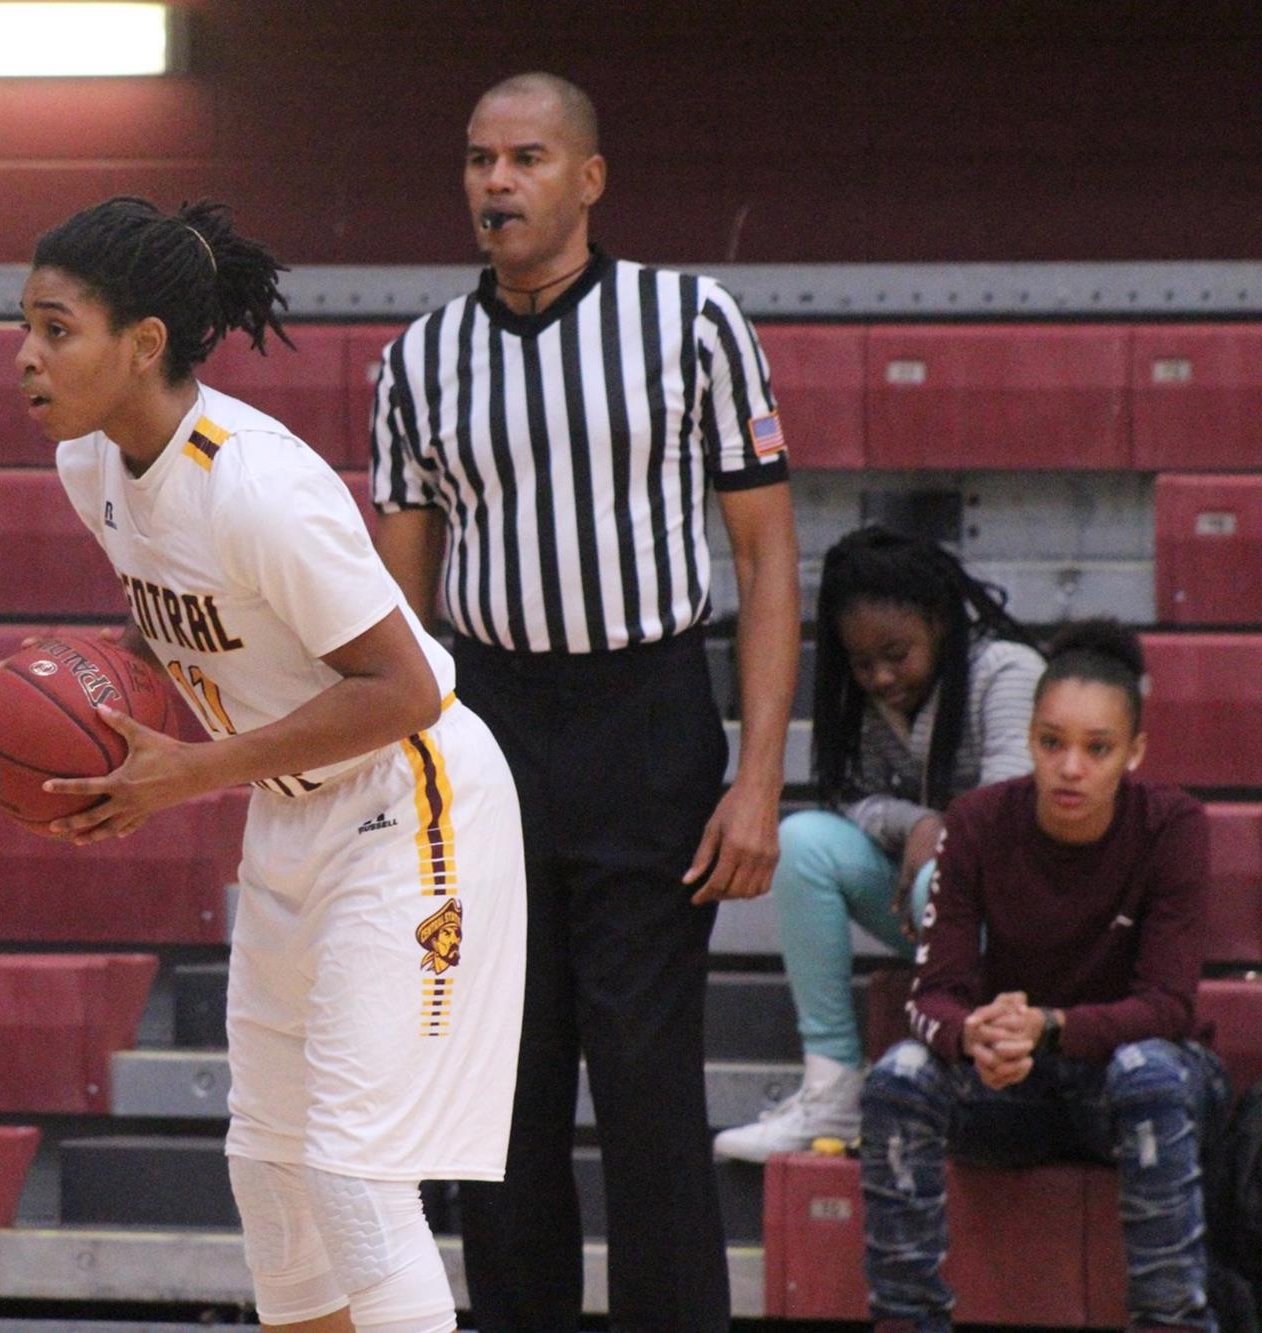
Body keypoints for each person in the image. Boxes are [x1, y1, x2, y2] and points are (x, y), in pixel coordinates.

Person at [17, 196, 528, 1333]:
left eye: (55, 329)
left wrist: (184, 772)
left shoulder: (254, 484)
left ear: (142, 343)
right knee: (270, 1172)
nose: (27, 357)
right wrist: (98, 707)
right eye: (26, 328)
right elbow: (203, 623)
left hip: (413, 801)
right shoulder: (90, 467)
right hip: (295, 811)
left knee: (352, 1179)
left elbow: (402, 689)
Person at [369, 72, 801, 1332]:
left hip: (648, 717)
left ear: (588, 177)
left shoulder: (694, 320)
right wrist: (400, 787)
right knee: (495, 1102)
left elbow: (769, 558)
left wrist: (760, 775)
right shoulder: (414, 361)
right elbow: (395, 618)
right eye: (475, 160)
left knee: (647, 1091)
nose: (494, 182)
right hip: (486, 727)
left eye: (524, 158)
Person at [860, 620, 1226, 1333]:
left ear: (1135, 752)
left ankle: (1171, 1320)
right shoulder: (976, 821)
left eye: (1097, 749)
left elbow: (1170, 1006)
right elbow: (932, 993)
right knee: (900, 1072)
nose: (1071, 767)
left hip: (1137, 1084)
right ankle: (907, 1319)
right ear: (1028, 739)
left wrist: (1051, 1028)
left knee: (1147, 1069)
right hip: (1011, 1081)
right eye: (1052, 742)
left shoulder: (1173, 825)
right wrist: (972, 1034)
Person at [714, 527, 1044, 1161]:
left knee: (935, 881)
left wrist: (939, 833)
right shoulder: (868, 701)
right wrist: (919, 824)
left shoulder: (1006, 671)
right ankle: (832, 1086)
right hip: (931, 907)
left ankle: (973, 1082)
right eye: (862, 663)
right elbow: (851, 802)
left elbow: (1011, 815)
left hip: (1022, 920)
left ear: (941, 623)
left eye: (897, 653)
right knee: (804, 843)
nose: (881, 676)